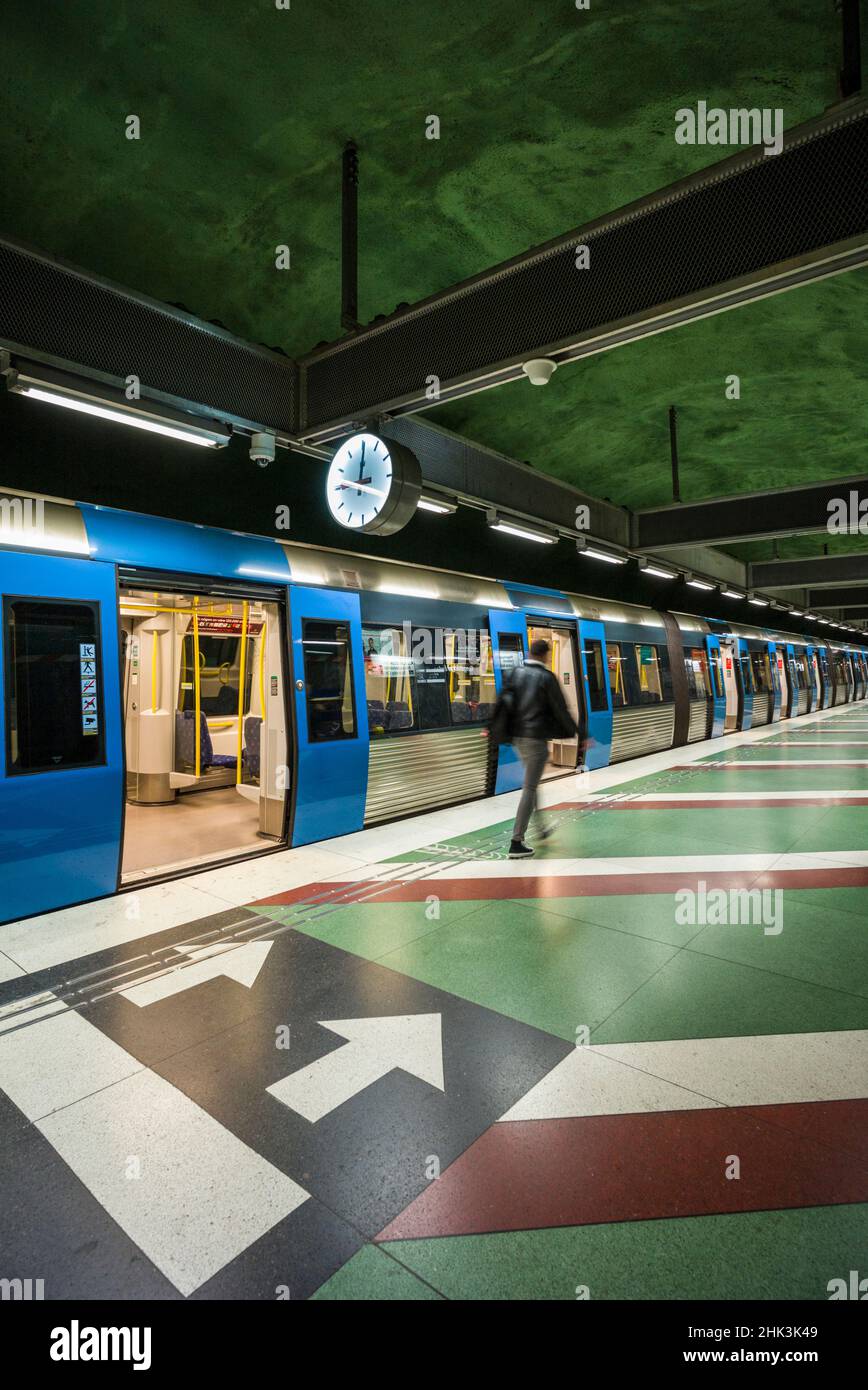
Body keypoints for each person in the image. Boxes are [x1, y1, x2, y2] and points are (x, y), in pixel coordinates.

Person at [489, 638, 579, 858]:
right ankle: (516, 842)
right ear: (546, 655)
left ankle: (540, 829)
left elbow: (501, 700)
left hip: (519, 739)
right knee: (529, 787)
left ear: (530, 653)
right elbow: (561, 710)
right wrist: (580, 734)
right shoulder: (547, 677)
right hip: (536, 740)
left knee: (532, 784)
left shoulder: (515, 672)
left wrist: (491, 726)